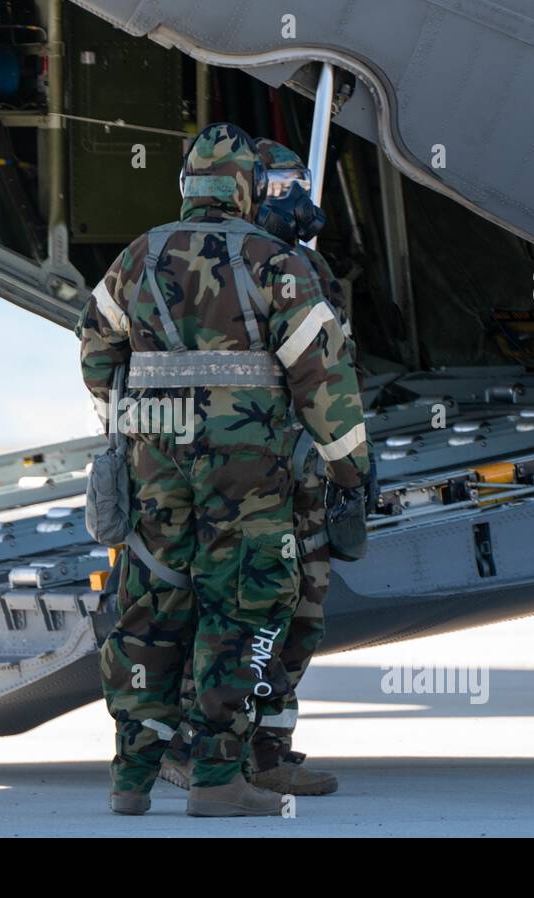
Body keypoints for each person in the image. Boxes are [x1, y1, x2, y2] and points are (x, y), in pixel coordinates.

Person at [78, 123, 370, 816]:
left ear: (186, 184)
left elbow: (95, 349)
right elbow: (321, 374)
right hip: (247, 471)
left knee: (152, 604)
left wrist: (127, 427)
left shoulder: (139, 254)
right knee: (243, 606)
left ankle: (132, 778)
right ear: (244, 187)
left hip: (156, 465)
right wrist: (350, 467)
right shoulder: (276, 261)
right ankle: (217, 778)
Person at [159, 138, 367, 796]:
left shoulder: (301, 268)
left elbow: (329, 363)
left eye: (295, 189)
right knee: (226, 608)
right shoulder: (210, 264)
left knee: (299, 611)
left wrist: (347, 465)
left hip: (300, 474)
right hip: (238, 476)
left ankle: (270, 746)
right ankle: (202, 746)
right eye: (278, 189)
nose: (291, 200)